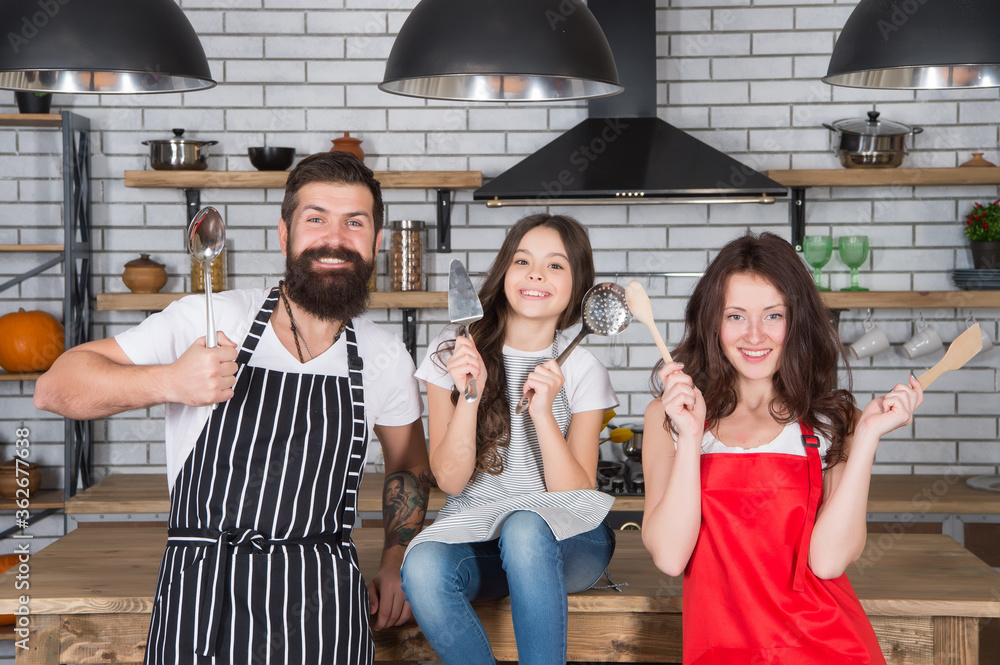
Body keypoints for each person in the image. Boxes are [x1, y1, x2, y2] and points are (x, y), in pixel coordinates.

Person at [33, 152, 431, 665]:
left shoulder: (383, 354)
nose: (335, 238)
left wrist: (398, 556)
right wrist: (169, 381)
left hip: (323, 602)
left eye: (354, 222)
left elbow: (408, 465)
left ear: (375, 242)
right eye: (316, 219)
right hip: (204, 593)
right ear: (284, 235)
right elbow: (55, 387)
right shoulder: (212, 316)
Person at [641, 231, 923, 665]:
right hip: (720, 652)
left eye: (773, 316)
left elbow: (828, 562)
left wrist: (866, 438)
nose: (755, 335)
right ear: (712, 322)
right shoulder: (670, 417)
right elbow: (670, 555)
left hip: (828, 648)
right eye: (736, 316)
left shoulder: (831, 422)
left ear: (797, 321)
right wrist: (692, 434)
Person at [400, 213, 618, 665]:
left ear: (577, 288)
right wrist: (470, 395)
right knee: (421, 567)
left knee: (523, 526)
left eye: (556, 265)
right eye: (523, 260)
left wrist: (542, 412)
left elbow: (577, 495)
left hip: (568, 539)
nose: (536, 273)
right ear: (504, 274)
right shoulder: (453, 350)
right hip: (478, 530)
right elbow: (452, 480)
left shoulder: (582, 369)